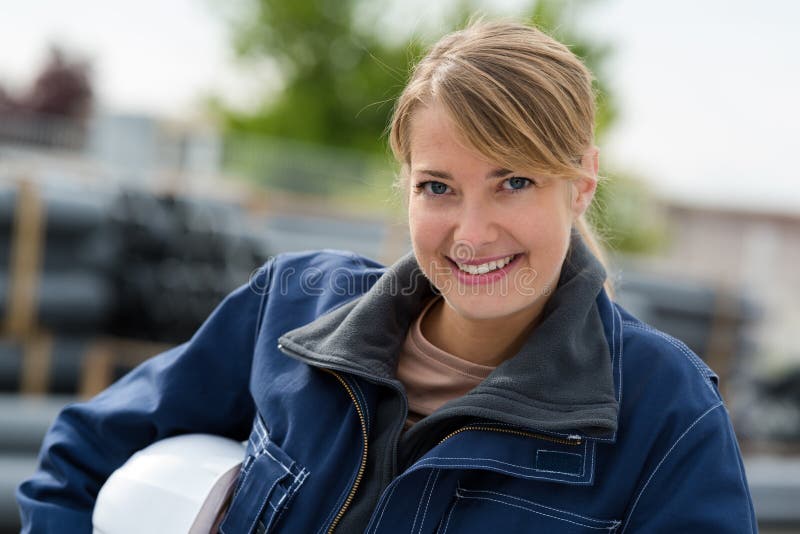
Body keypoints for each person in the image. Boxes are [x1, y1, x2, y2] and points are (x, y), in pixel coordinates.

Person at [17, 19, 757, 533]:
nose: (473, 233)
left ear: (582, 183)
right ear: (405, 186)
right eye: (438, 187)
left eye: (514, 183)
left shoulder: (665, 413)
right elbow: (79, 459)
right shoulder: (291, 312)